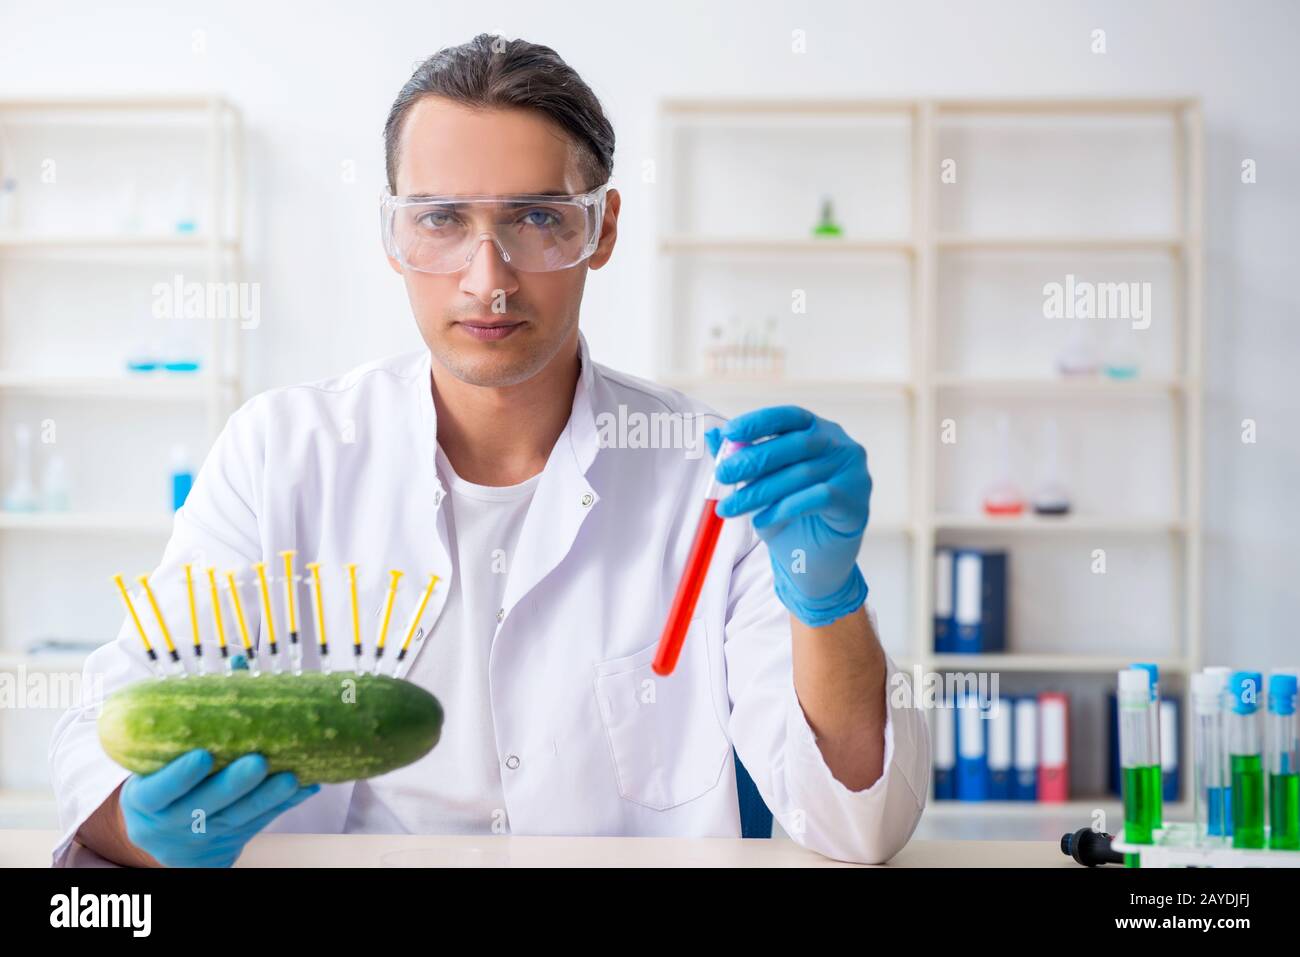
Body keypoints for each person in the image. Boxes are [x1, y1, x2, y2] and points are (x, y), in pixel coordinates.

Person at [49, 34, 928, 868]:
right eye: (440, 219)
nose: (488, 277)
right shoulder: (282, 453)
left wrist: (829, 603)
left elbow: (859, 822)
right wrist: (150, 829)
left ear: (603, 228)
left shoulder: (711, 475)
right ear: (392, 233)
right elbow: (105, 730)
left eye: (538, 217)